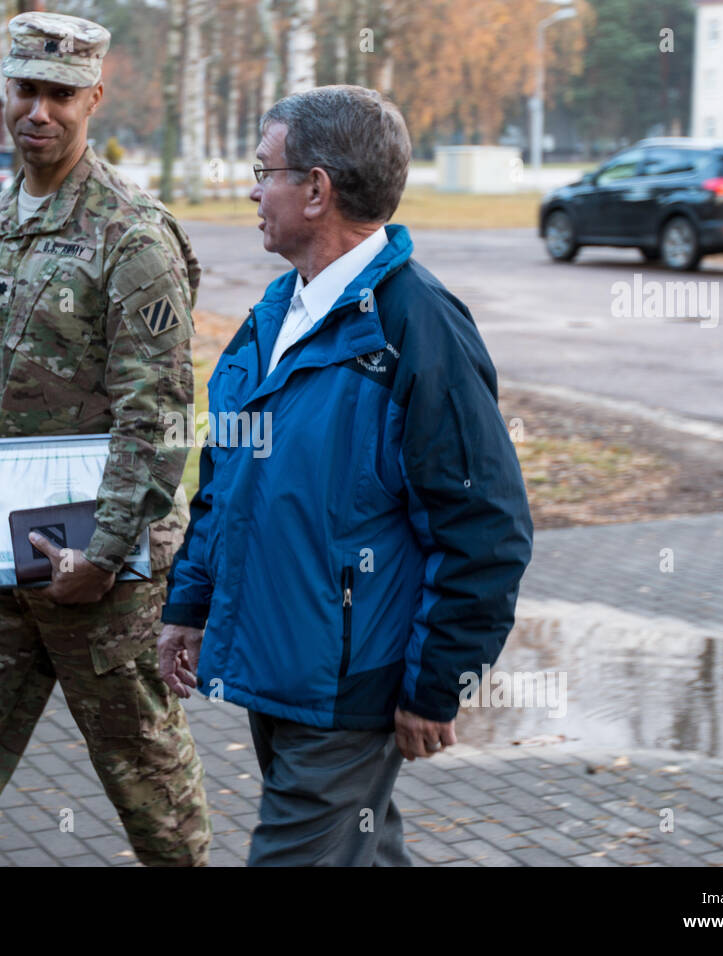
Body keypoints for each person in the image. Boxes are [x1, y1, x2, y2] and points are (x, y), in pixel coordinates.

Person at [157, 85, 533, 866]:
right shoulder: (274, 314)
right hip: (277, 662)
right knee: (358, 850)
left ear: (318, 189)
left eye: (265, 171)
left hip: (350, 684)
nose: (255, 190)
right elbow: (224, 478)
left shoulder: (416, 327)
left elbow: (484, 525)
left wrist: (440, 680)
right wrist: (192, 599)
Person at [0, 11, 210, 867]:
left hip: (99, 571)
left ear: (94, 97)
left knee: (142, 769)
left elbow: (159, 412)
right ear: (7, 92)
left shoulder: (132, 237)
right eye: (26, 89)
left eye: (62, 94)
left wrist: (103, 553)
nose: (41, 110)